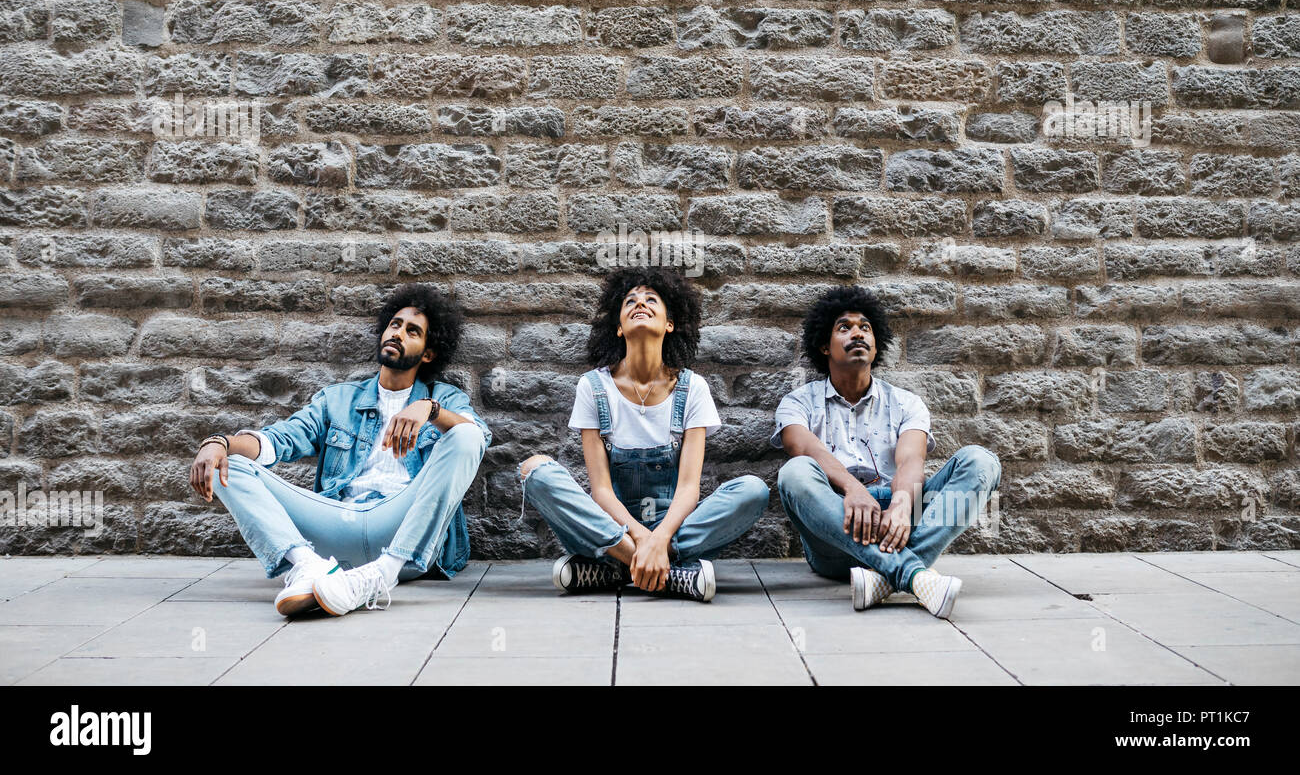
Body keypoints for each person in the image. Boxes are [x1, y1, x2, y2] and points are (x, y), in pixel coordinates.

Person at [187, 283, 491, 618]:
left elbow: (477, 438)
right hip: (335, 526)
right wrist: (220, 442)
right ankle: (309, 569)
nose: (398, 333)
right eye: (394, 325)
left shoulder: (444, 399)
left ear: (428, 353)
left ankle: (381, 575)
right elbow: (278, 441)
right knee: (225, 464)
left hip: (404, 530)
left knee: (466, 435)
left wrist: (429, 410)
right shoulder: (337, 400)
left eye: (412, 331)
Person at [517, 267, 769, 602]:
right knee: (535, 471)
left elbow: (689, 488)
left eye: (652, 299)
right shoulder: (593, 387)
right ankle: (664, 571)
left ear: (670, 324)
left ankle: (615, 570)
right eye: (630, 301)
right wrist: (641, 540)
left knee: (753, 490)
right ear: (619, 328)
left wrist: (660, 538)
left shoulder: (692, 388)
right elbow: (602, 491)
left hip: (672, 527)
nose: (641, 303)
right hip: (608, 528)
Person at [773, 285, 1001, 619]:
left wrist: (901, 503)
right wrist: (853, 489)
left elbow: (911, 459)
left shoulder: (907, 403)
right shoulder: (798, 402)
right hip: (836, 528)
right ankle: (915, 575)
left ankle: (883, 578)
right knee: (794, 474)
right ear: (824, 345)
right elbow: (803, 447)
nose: (857, 334)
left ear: (877, 344)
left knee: (982, 461)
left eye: (865, 328)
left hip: (897, 521)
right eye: (844, 328)